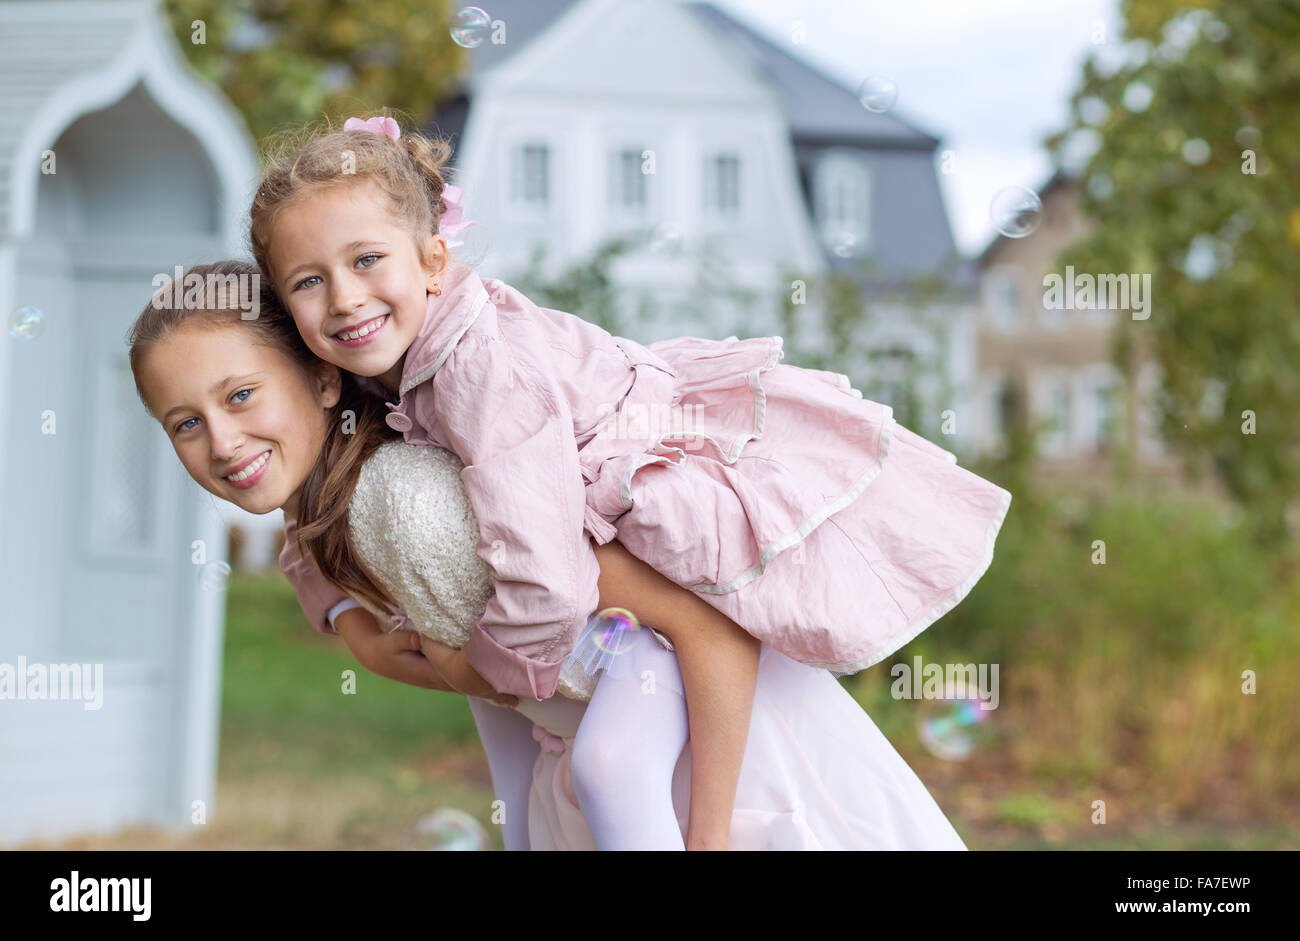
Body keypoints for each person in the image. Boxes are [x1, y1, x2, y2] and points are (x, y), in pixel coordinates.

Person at [248, 113, 1012, 849]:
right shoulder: (385, 364)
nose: (345, 296)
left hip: (652, 511)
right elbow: (312, 492)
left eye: (366, 259)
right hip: (599, 638)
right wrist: (344, 611)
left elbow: (544, 581)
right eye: (309, 281)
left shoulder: (483, 368)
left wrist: (471, 667)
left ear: (434, 260)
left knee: (614, 767)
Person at [127, 261, 970, 850]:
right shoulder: (344, 519)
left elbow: (701, 628)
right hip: (601, 769)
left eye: (240, 395)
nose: (222, 439)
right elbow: (488, 681)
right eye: (185, 423)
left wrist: (707, 837)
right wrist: (355, 623)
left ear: (320, 380)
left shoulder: (420, 494)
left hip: (716, 762)